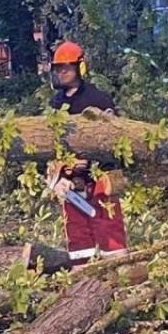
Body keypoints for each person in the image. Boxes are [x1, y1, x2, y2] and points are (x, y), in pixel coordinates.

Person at [46, 41, 129, 268]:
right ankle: (82, 274)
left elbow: (112, 139)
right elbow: (54, 142)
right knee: (77, 231)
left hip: (100, 175)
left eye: (66, 67)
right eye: (58, 68)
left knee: (108, 226)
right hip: (72, 180)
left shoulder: (98, 100)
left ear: (80, 68)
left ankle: (119, 272)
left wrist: (90, 159)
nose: (61, 72)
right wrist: (58, 174)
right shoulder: (56, 103)